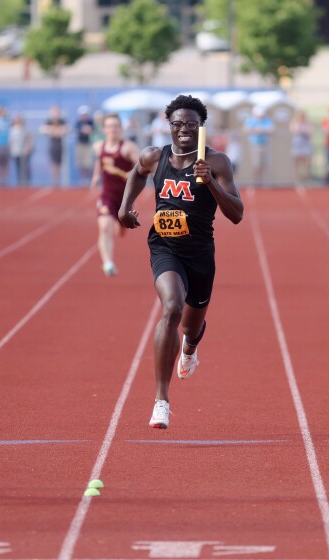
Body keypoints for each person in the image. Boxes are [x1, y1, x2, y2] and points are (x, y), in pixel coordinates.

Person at [117, 95, 243, 429]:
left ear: (201, 127)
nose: (183, 129)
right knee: (171, 308)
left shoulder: (216, 162)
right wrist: (124, 208)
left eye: (190, 124)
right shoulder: (154, 156)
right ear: (168, 125)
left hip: (200, 252)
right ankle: (161, 401)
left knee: (191, 326)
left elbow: (237, 214)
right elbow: (136, 174)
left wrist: (210, 183)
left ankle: (190, 348)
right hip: (164, 246)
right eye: (177, 123)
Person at [89, 113, 139, 277]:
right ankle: (108, 263)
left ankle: (121, 223)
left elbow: (142, 167)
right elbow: (100, 161)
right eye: (110, 126)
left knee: (122, 226)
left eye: (116, 126)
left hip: (125, 197)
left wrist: (129, 174)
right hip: (107, 196)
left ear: (121, 128)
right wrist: (96, 177)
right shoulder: (99, 146)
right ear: (104, 129)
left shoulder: (128, 148)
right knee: (104, 227)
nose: (113, 130)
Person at [40, 106, 68, 187]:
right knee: (54, 163)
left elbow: (65, 129)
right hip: (53, 144)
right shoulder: (48, 121)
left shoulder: (62, 121)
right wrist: (53, 130)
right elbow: (43, 129)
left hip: (61, 144)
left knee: (60, 163)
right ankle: (55, 181)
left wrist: (56, 131)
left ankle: (60, 180)